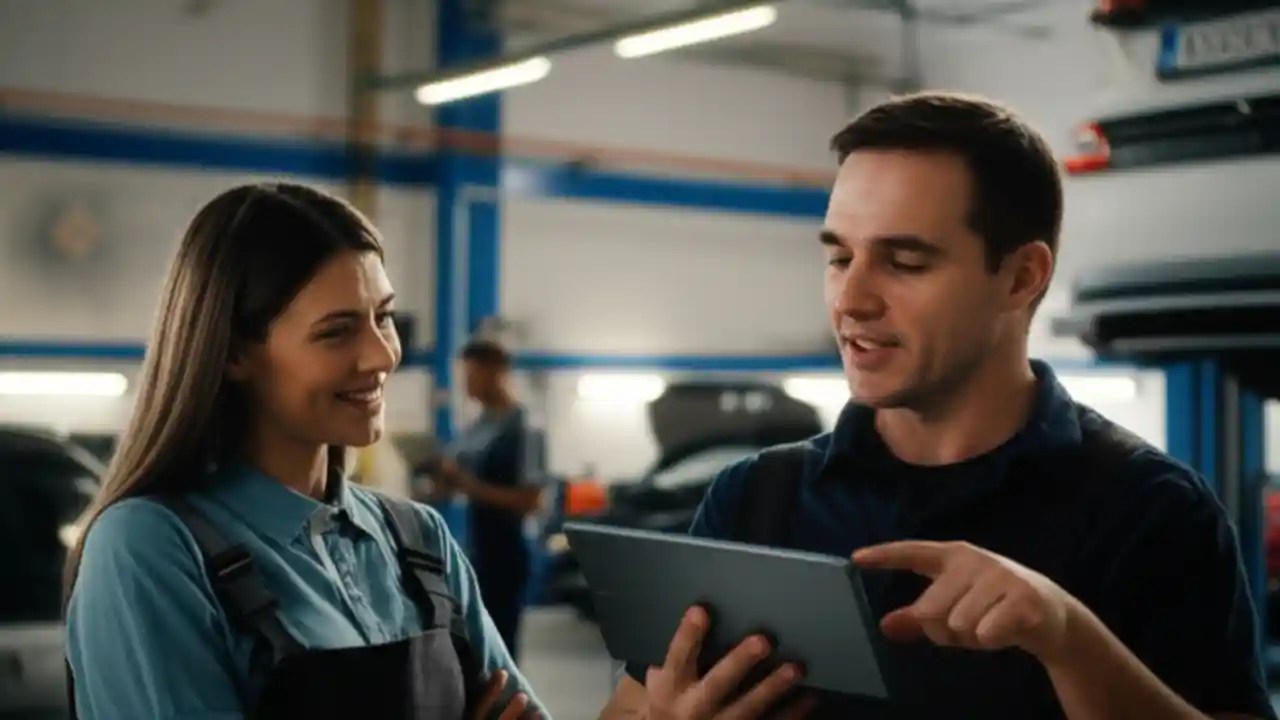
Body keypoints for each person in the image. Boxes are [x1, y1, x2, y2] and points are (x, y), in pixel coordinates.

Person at [600, 92, 1276, 719]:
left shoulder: (1151, 510)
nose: (852, 300)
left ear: (1020, 276)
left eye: (904, 262)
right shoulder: (754, 501)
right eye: (840, 258)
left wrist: (1068, 637)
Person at [63, 183, 545, 720]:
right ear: (233, 354)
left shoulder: (419, 540)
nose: (381, 355)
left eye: (383, 317)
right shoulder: (148, 549)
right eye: (337, 332)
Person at [433, 339, 544, 661]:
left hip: (507, 550)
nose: (467, 383)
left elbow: (530, 500)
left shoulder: (524, 428)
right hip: (478, 547)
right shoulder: (478, 426)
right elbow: (459, 482)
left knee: (501, 643)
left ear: (498, 372)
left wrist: (467, 485)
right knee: (474, 640)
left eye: (473, 374)